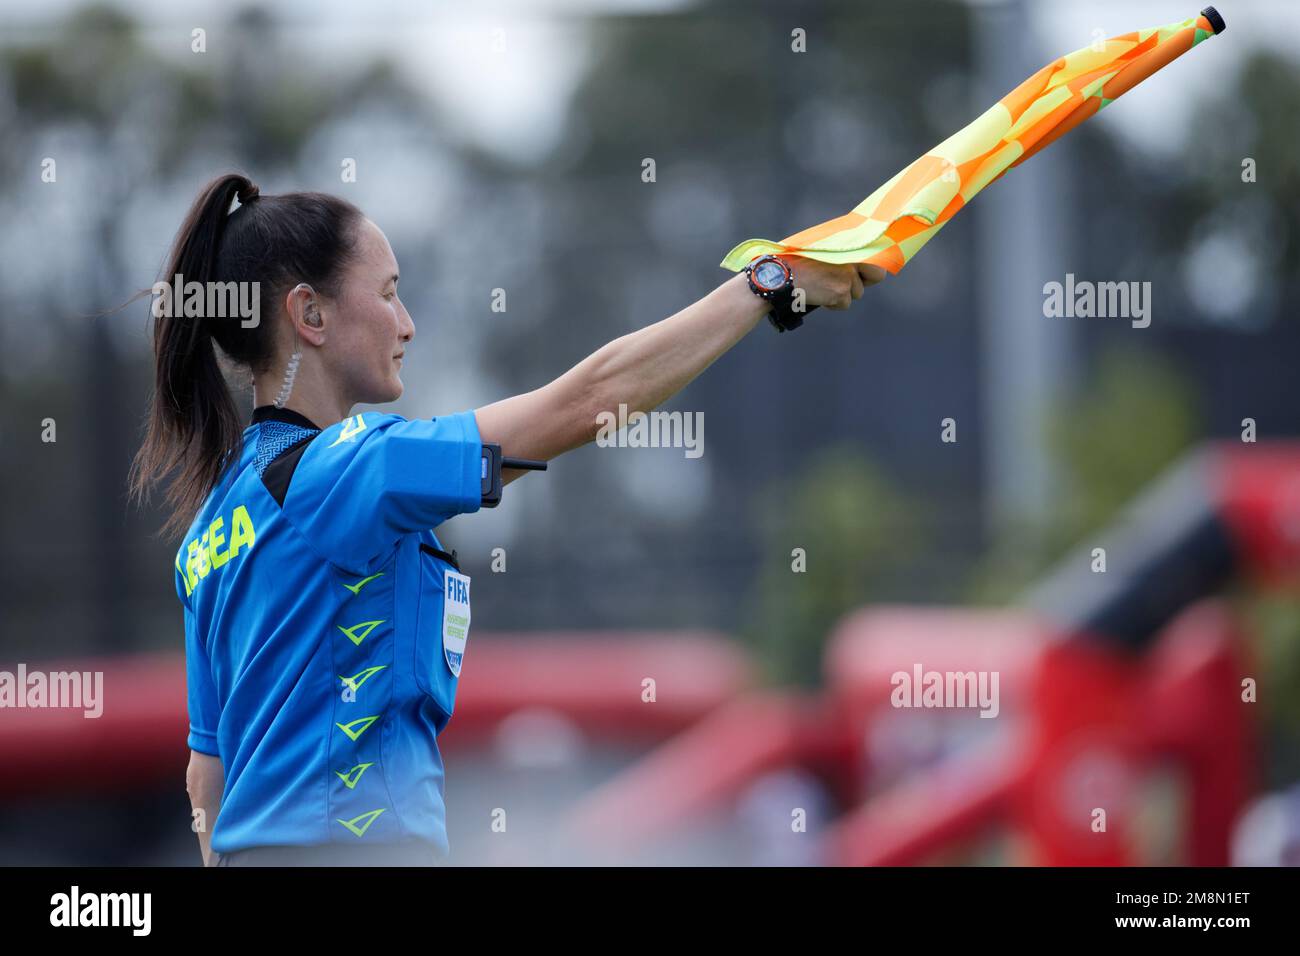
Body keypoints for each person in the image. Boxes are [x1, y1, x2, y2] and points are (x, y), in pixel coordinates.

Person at [129, 172, 884, 866]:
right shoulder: (351, 470)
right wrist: (767, 282)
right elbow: (588, 403)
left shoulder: (214, 527)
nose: (408, 323)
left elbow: (207, 778)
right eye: (389, 292)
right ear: (311, 313)